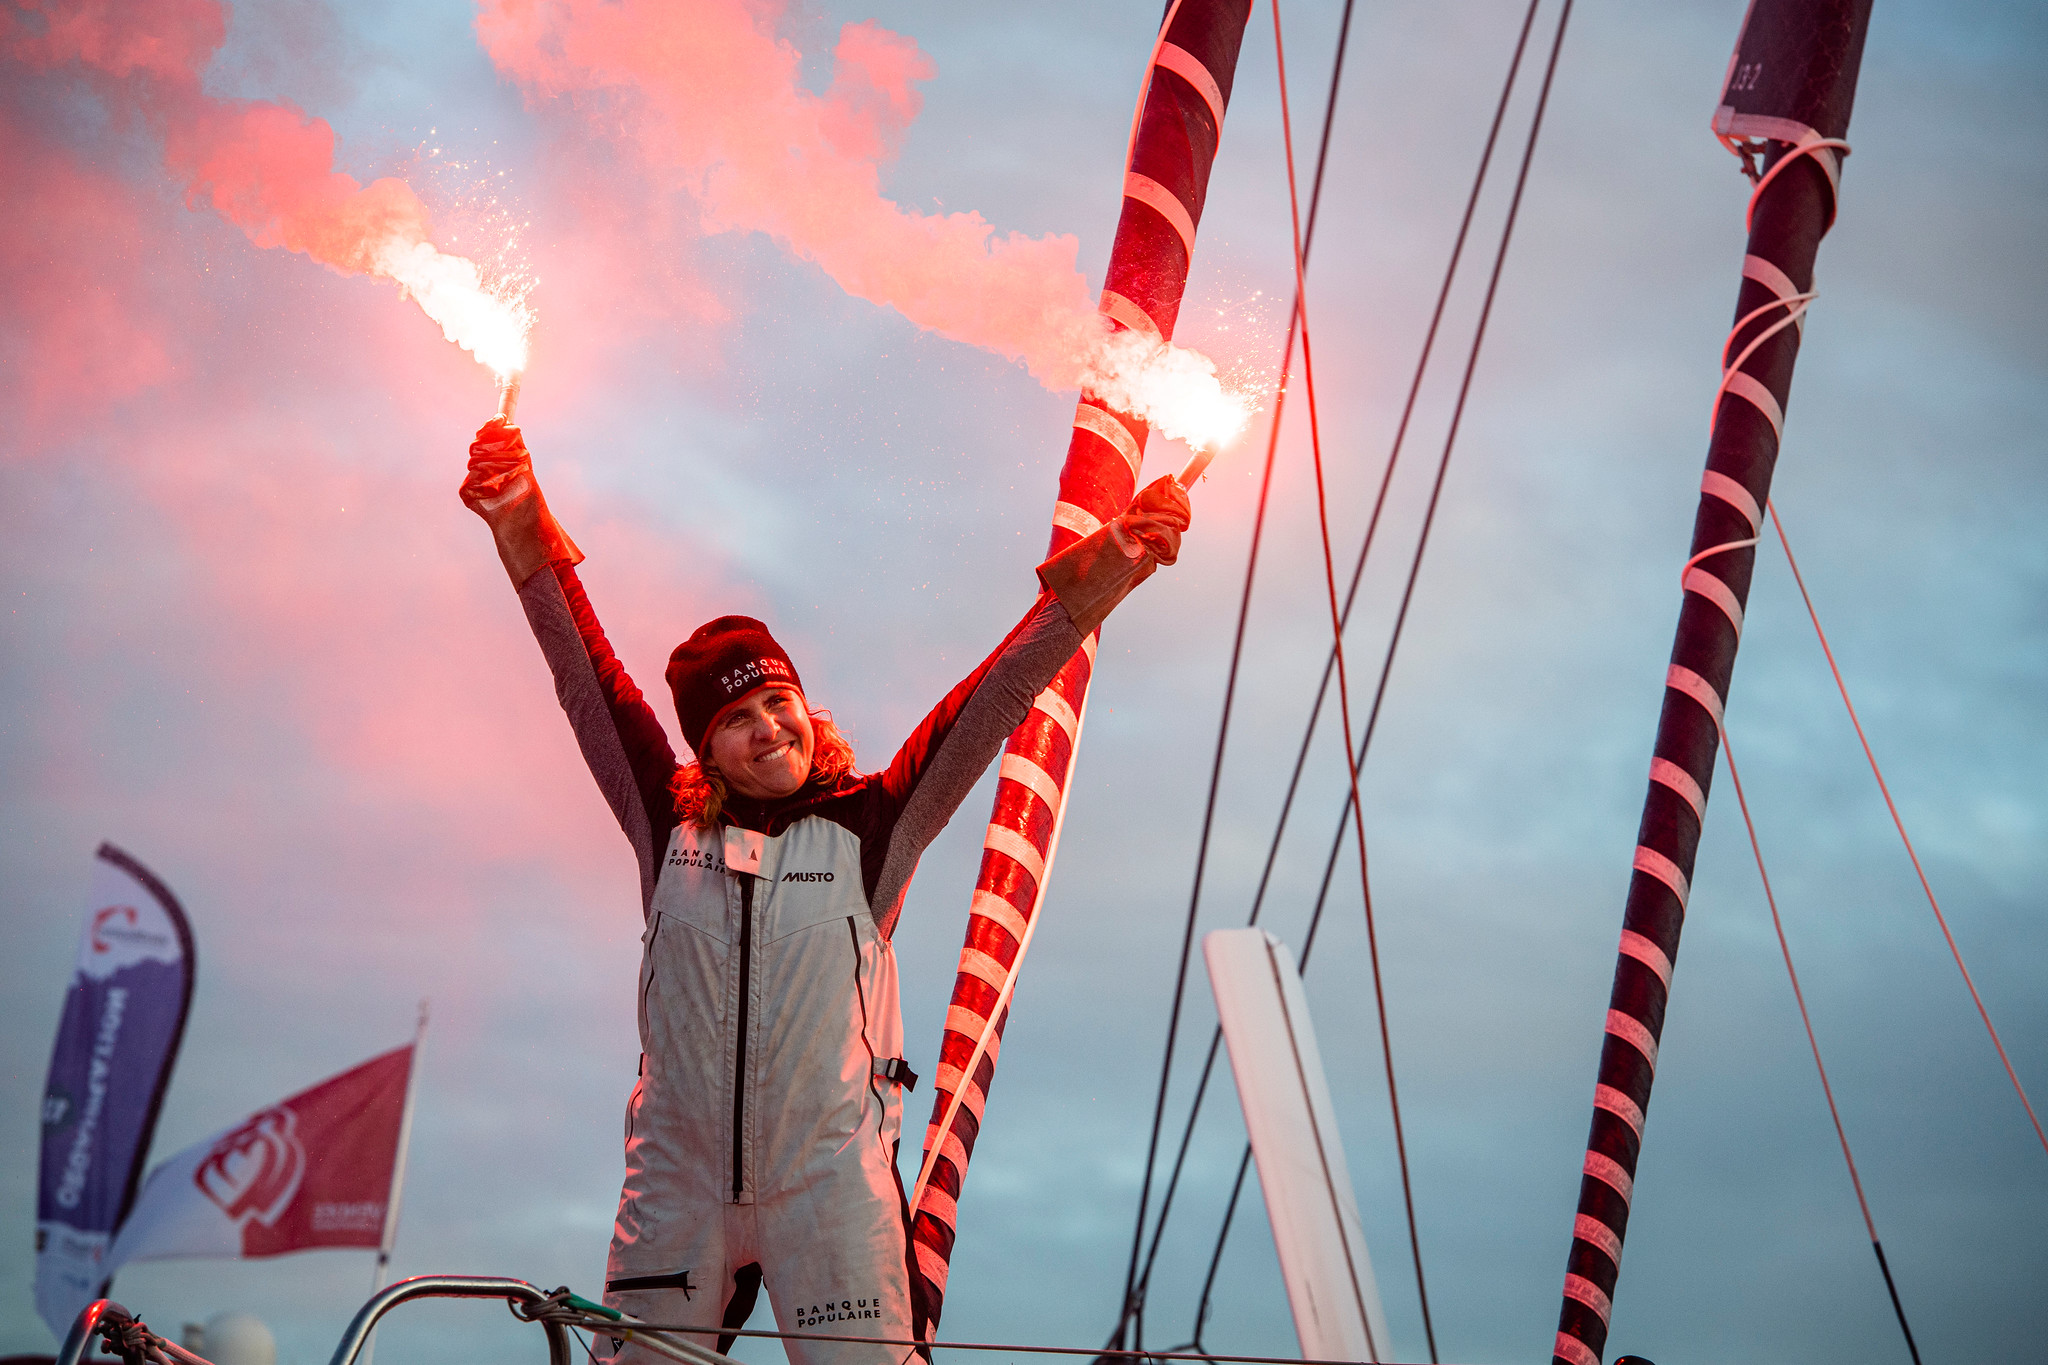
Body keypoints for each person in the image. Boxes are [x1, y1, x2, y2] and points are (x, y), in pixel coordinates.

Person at [460, 418, 1191, 1365]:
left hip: (833, 1193)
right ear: (705, 749)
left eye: (779, 701)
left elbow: (1001, 689)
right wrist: (517, 511)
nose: (769, 727)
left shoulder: (874, 822)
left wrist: (1118, 558)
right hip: (676, 1192)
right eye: (737, 718)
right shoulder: (665, 821)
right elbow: (583, 672)